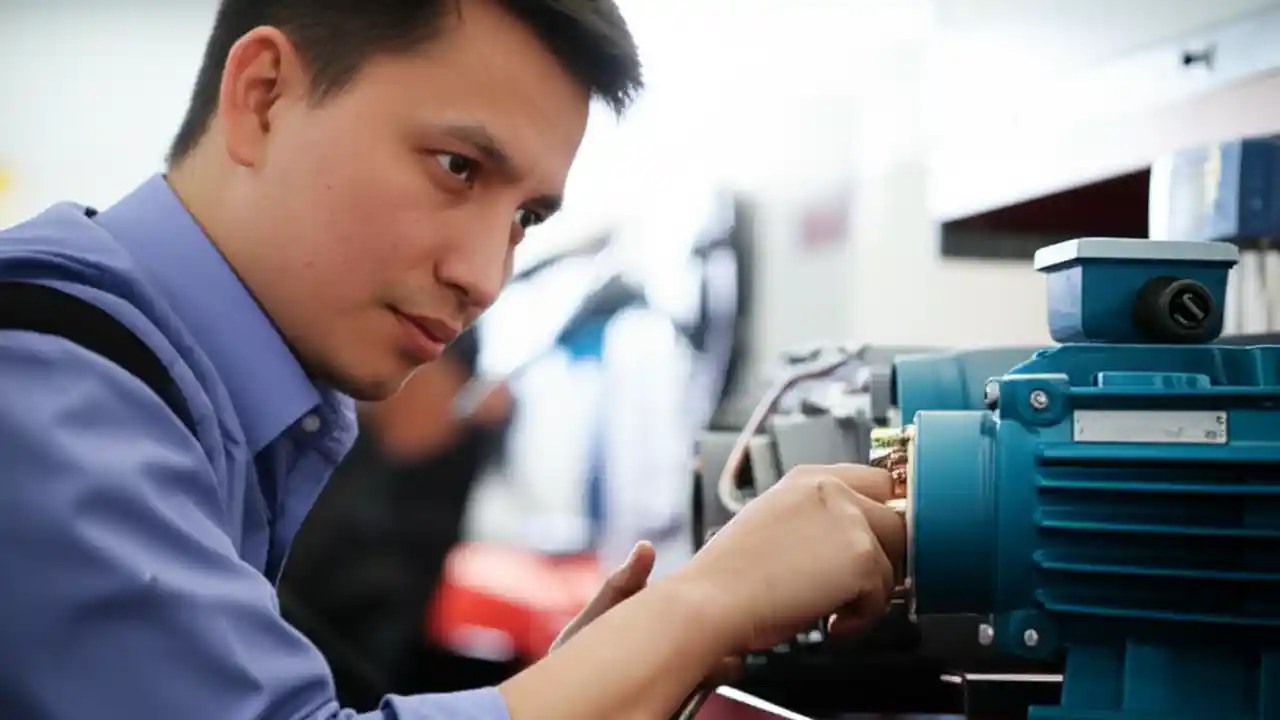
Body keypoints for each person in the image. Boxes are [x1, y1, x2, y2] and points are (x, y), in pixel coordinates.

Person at [0, 1, 906, 718]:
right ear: (264, 96)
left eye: (525, 218)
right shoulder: (45, 383)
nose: (484, 277)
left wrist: (597, 677)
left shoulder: (197, 400)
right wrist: (702, 606)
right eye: (458, 167)